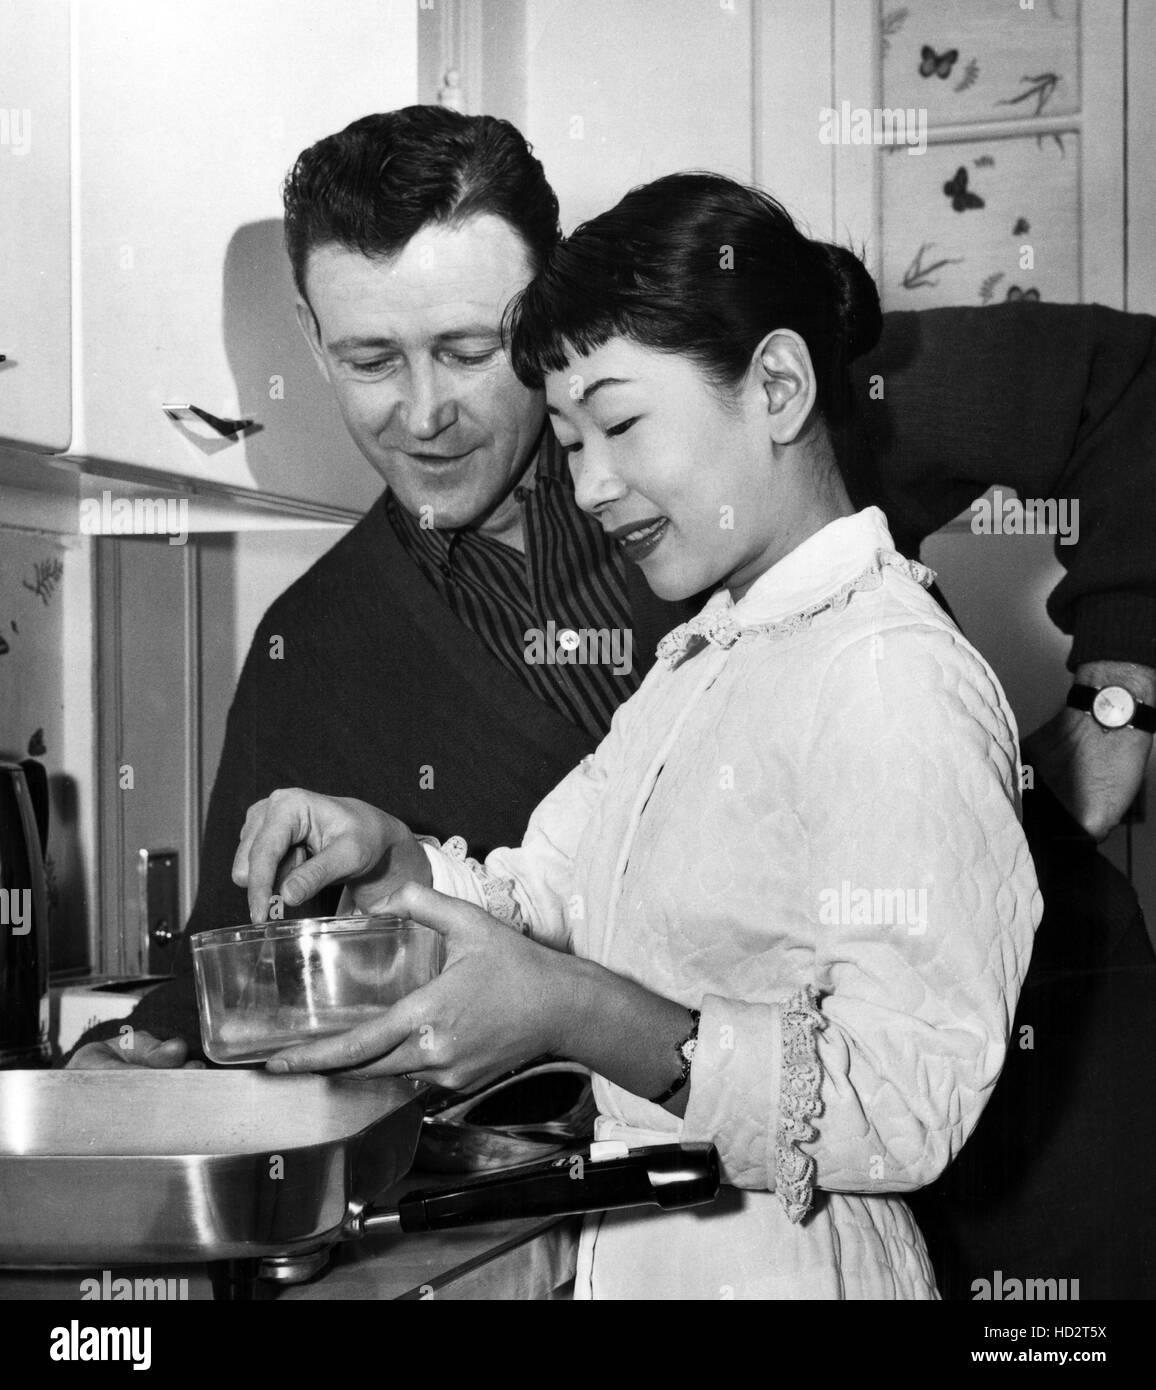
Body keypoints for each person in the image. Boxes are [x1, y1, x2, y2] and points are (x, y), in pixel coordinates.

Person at [66, 107, 1155, 1298]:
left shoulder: (743, 392)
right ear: (313, 344)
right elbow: (288, 954)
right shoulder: (323, 645)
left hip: (1044, 1132)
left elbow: (1128, 388)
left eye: (473, 348)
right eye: (370, 358)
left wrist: (1115, 704)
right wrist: (373, 894)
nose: (423, 411)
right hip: (717, 1207)